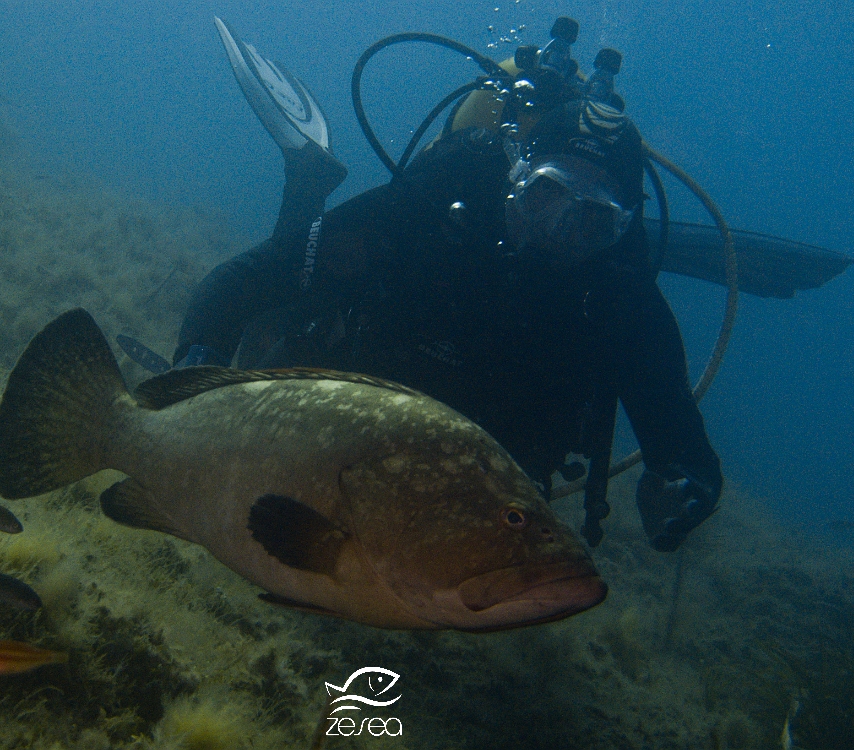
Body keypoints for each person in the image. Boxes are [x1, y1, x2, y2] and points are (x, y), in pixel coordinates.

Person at [173, 17, 722, 552]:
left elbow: (675, 428)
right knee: (280, 328)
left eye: (592, 219)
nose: (561, 232)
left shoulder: (618, 287)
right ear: (516, 177)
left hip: (470, 489)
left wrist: (682, 487)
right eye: (548, 197)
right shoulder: (440, 201)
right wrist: (190, 382)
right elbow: (244, 281)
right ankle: (308, 180)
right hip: (351, 405)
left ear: (621, 229)